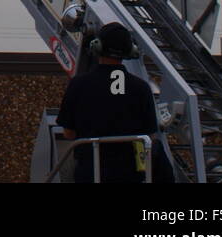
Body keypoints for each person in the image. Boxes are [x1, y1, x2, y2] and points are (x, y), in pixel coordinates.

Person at [56, 22, 170, 183]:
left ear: (97, 46)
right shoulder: (141, 88)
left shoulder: (79, 84)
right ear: (129, 51)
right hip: (130, 176)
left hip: (89, 173)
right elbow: (150, 135)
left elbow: (68, 133)